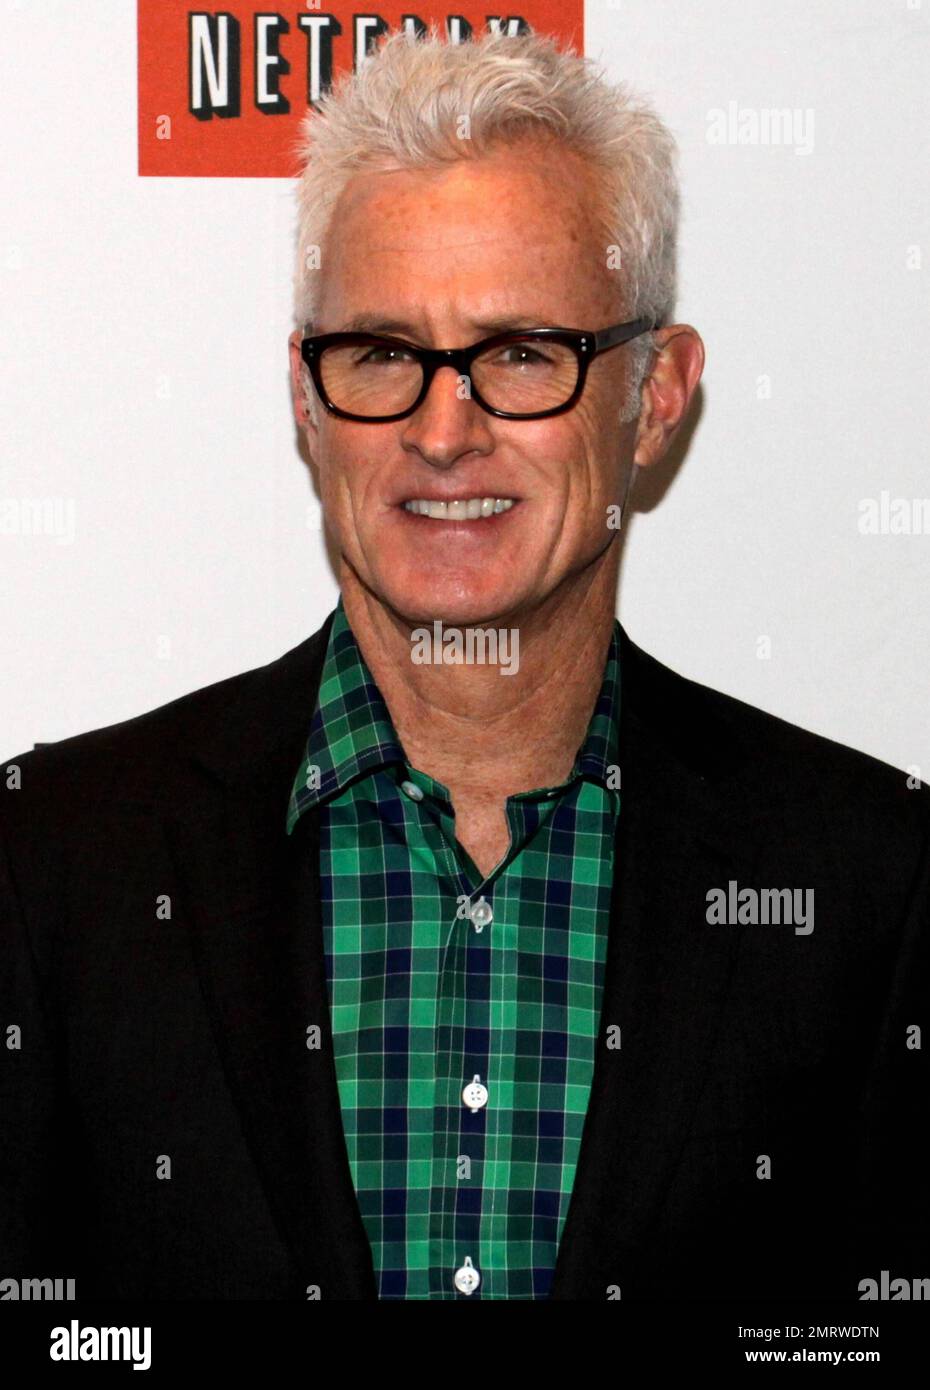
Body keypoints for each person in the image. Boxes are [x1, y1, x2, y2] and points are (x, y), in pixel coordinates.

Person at [1, 27, 927, 1302]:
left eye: (522, 354)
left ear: (656, 394)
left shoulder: (868, 879)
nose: (445, 431)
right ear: (306, 400)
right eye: (382, 353)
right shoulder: (52, 865)